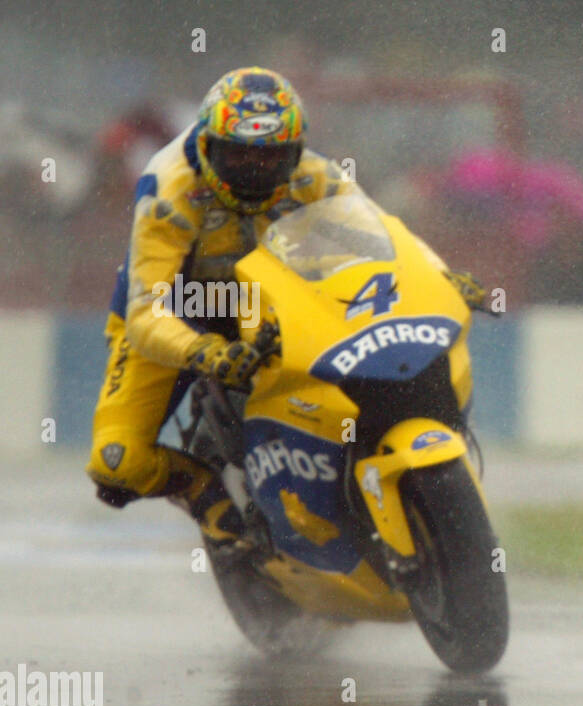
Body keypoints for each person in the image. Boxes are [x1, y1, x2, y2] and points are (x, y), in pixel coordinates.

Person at [85, 67, 487, 554]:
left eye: (271, 158)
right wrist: (205, 351)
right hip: (180, 308)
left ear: (295, 151)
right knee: (116, 463)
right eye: (237, 156)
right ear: (209, 146)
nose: (255, 171)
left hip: (277, 298)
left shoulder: (316, 176)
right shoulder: (169, 188)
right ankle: (207, 498)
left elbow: (387, 238)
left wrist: (440, 276)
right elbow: (147, 313)